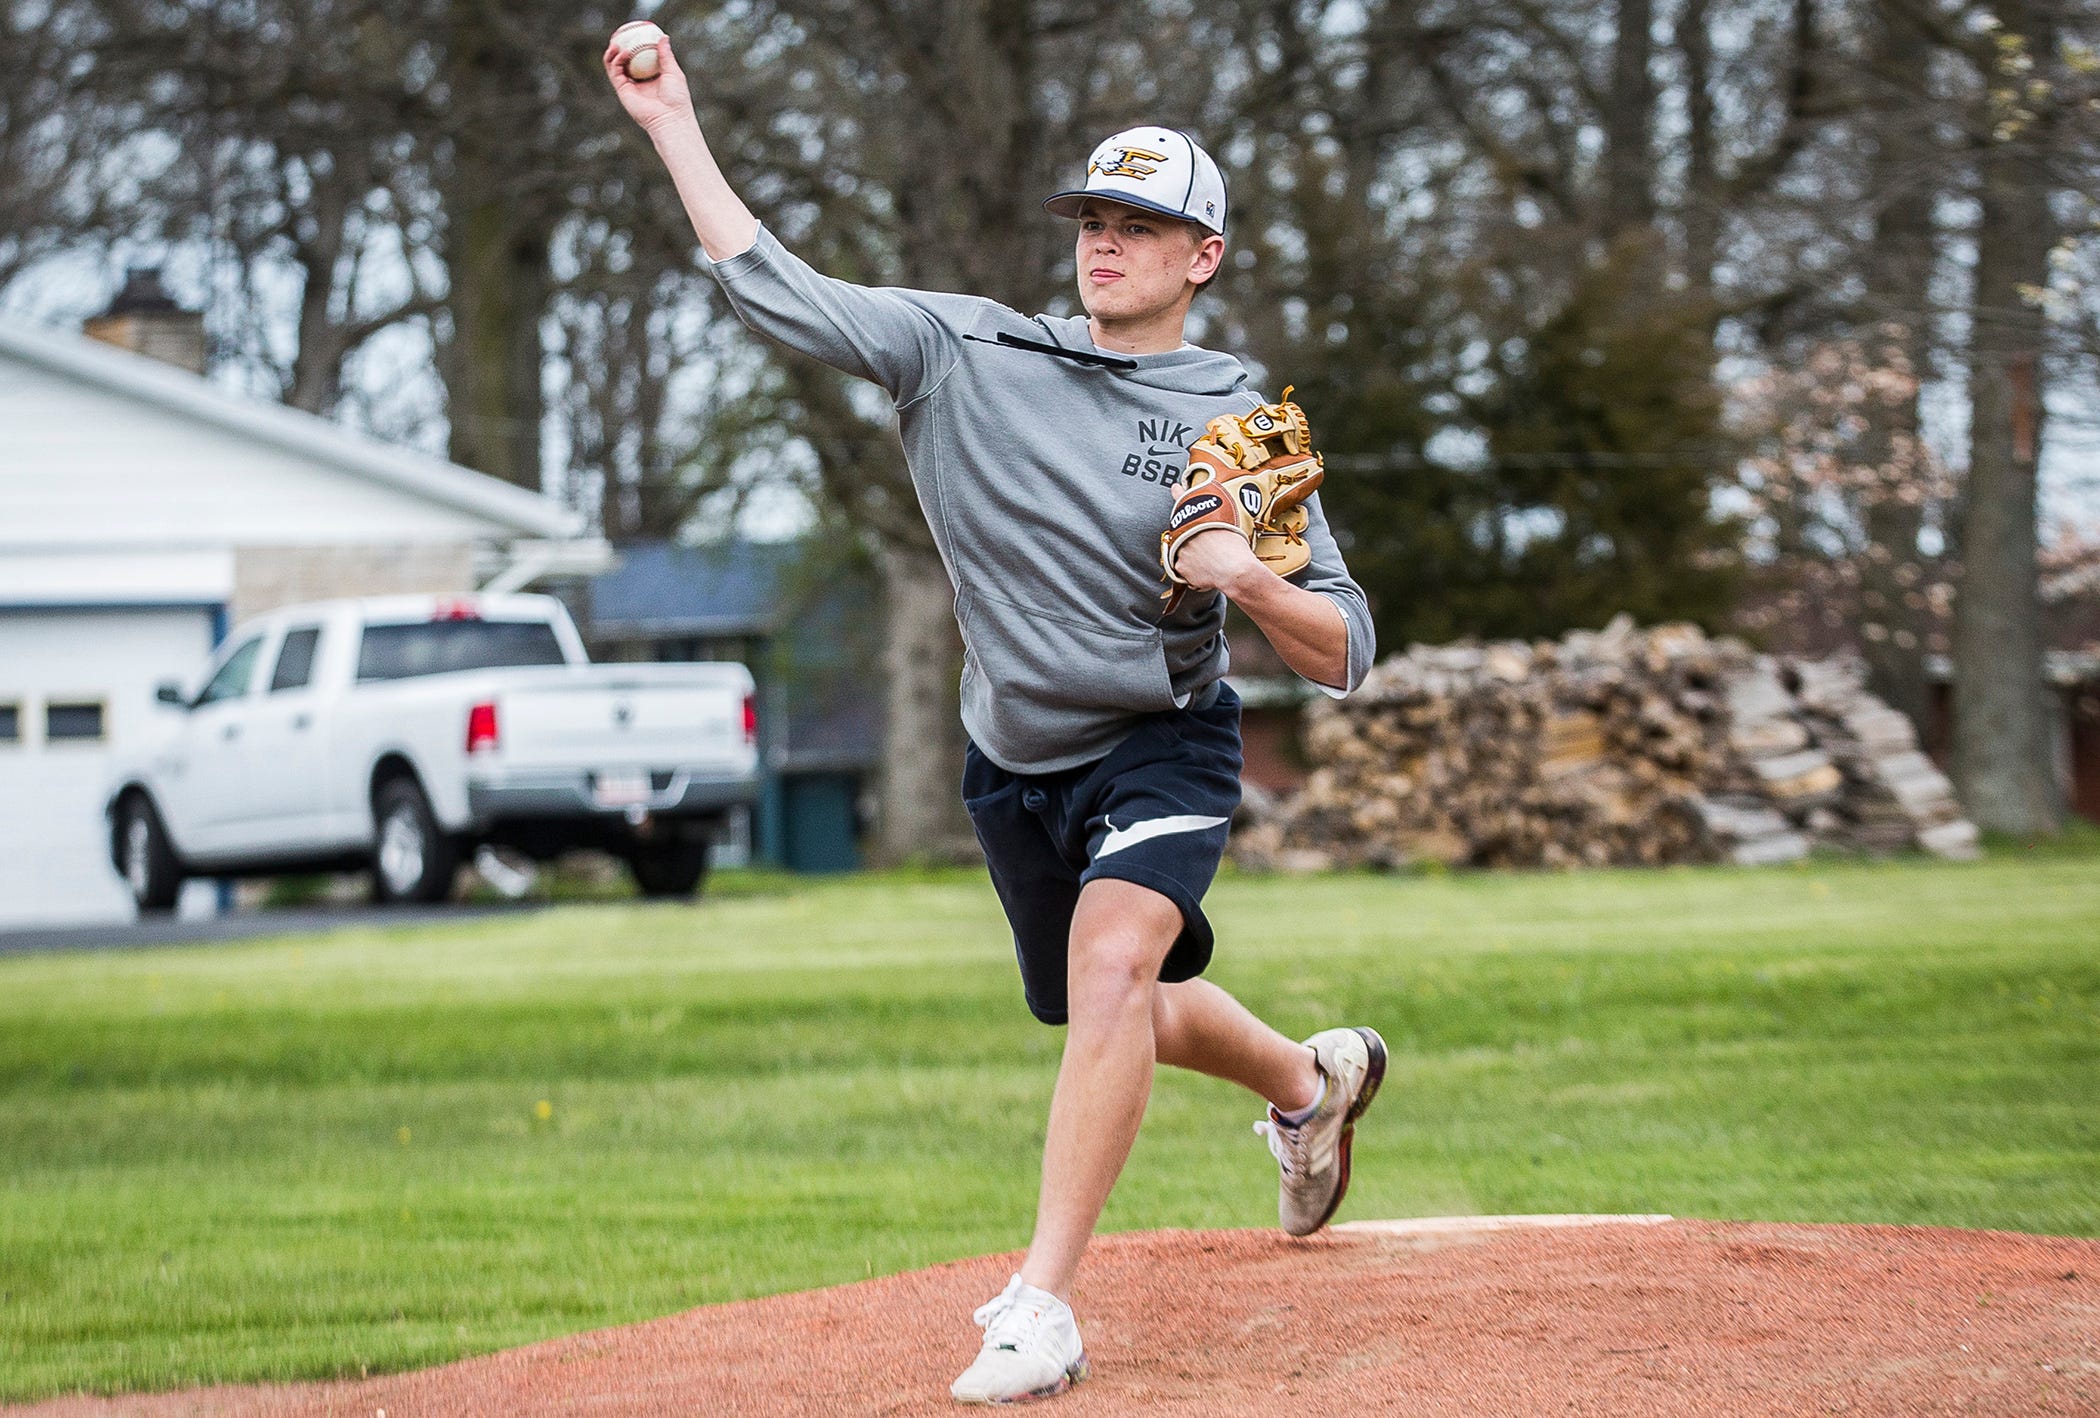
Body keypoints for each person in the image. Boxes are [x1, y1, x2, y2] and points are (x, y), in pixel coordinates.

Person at [606, 32, 1386, 1407]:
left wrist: (1251, 578)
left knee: (1113, 971)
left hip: (1163, 736)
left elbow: (1344, 652)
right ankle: (1309, 1088)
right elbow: (780, 291)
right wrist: (673, 121)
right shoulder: (965, 352)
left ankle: (1043, 1304)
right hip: (1013, 754)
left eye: (1139, 223)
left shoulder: (1239, 421)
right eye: (1092, 219)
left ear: (1203, 255)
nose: (1105, 242)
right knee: (1118, 1005)